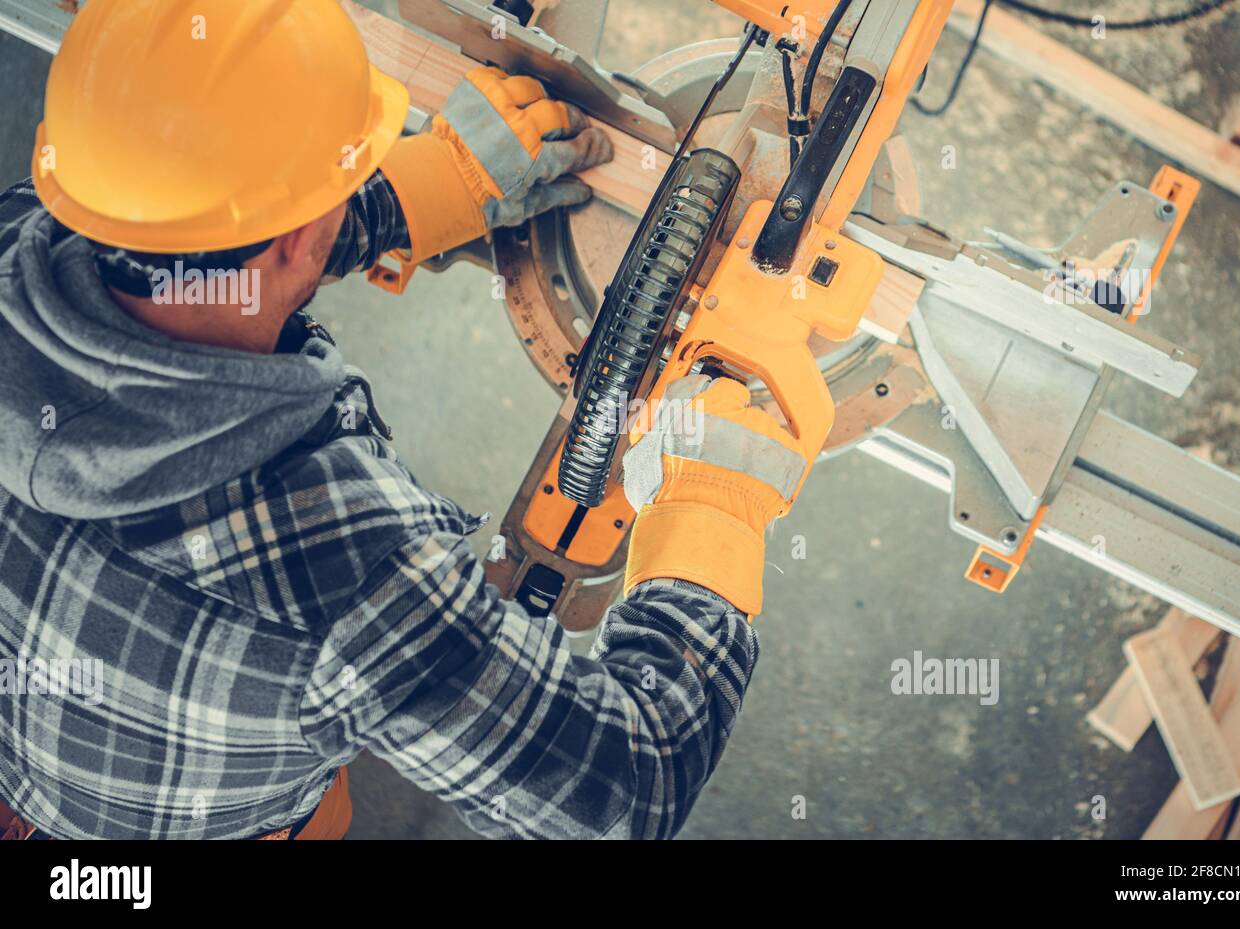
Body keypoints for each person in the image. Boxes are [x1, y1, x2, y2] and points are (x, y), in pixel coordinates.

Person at [0, 0, 802, 839]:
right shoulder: (341, 574)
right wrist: (712, 510)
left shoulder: (24, 229)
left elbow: (172, 245)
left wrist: (401, 202)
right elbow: (624, 792)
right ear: (303, 231)